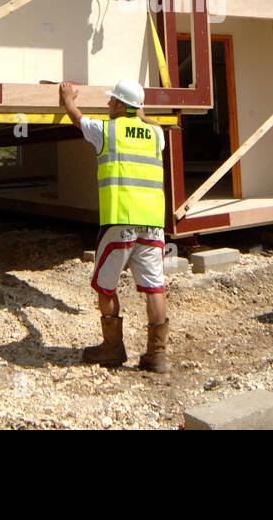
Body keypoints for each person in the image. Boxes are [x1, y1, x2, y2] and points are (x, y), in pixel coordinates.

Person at [59, 78, 170, 372]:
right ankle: (157, 355)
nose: (108, 104)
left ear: (121, 105)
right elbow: (145, 120)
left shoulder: (106, 131)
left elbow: (77, 119)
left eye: (111, 101)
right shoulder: (157, 134)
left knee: (106, 286)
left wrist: (68, 98)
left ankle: (112, 349)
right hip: (153, 224)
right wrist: (140, 113)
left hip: (120, 222)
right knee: (154, 288)